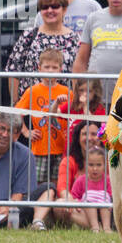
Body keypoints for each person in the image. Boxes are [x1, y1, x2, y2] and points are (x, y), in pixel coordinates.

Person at [6, 0, 80, 99]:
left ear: (64, 9)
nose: (50, 10)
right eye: (45, 7)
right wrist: (16, 106)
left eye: (55, 6)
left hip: (64, 108)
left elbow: (78, 75)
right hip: (31, 107)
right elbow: (14, 71)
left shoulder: (74, 39)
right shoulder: (29, 36)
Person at [14, 48, 72, 185]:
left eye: (54, 67)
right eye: (47, 67)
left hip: (61, 146)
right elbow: (17, 112)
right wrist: (26, 132)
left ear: (60, 69)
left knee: (58, 182)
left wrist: (70, 131)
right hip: (40, 147)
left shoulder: (66, 92)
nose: (50, 70)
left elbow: (73, 116)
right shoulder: (32, 91)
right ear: (39, 68)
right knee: (39, 183)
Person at [71, 147, 114, 232]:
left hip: (105, 211)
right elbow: (74, 197)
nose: (95, 169)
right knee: (89, 203)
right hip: (87, 212)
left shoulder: (108, 180)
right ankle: (95, 227)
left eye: (98, 165)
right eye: (91, 165)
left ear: (105, 165)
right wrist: (78, 203)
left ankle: (106, 228)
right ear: (85, 164)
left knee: (105, 203)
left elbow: (112, 196)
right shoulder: (81, 180)